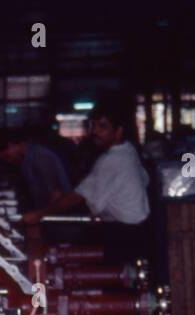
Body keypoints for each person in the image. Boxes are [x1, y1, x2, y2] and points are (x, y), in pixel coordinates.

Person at [22, 100, 151, 260]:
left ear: (118, 132)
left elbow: (77, 197)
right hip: (136, 230)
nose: (95, 131)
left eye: (102, 127)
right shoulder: (129, 150)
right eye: (93, 125)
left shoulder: (111, 160)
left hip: (125, 233)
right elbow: (144, 180)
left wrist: (39, 214)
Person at [0, 127, 72, 212]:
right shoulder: (26, 160)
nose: (9, 161)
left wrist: (38, 216)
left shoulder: (40, 157)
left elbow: (56, 196)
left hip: (57, 216)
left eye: (8, 157)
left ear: (11, 145)